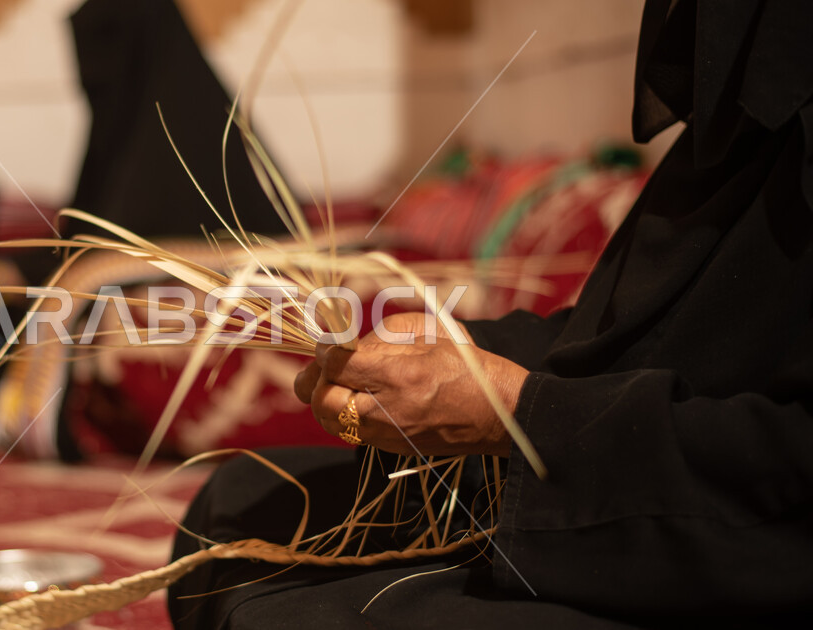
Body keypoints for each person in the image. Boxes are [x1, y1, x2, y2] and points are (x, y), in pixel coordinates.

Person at [168, 1, 813, 627]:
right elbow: (634, 341)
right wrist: (456, 348)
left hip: (706, 536)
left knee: (293, 610)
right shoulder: (743, 140)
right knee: (237, 503)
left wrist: (510, 413)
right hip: (592, 473)